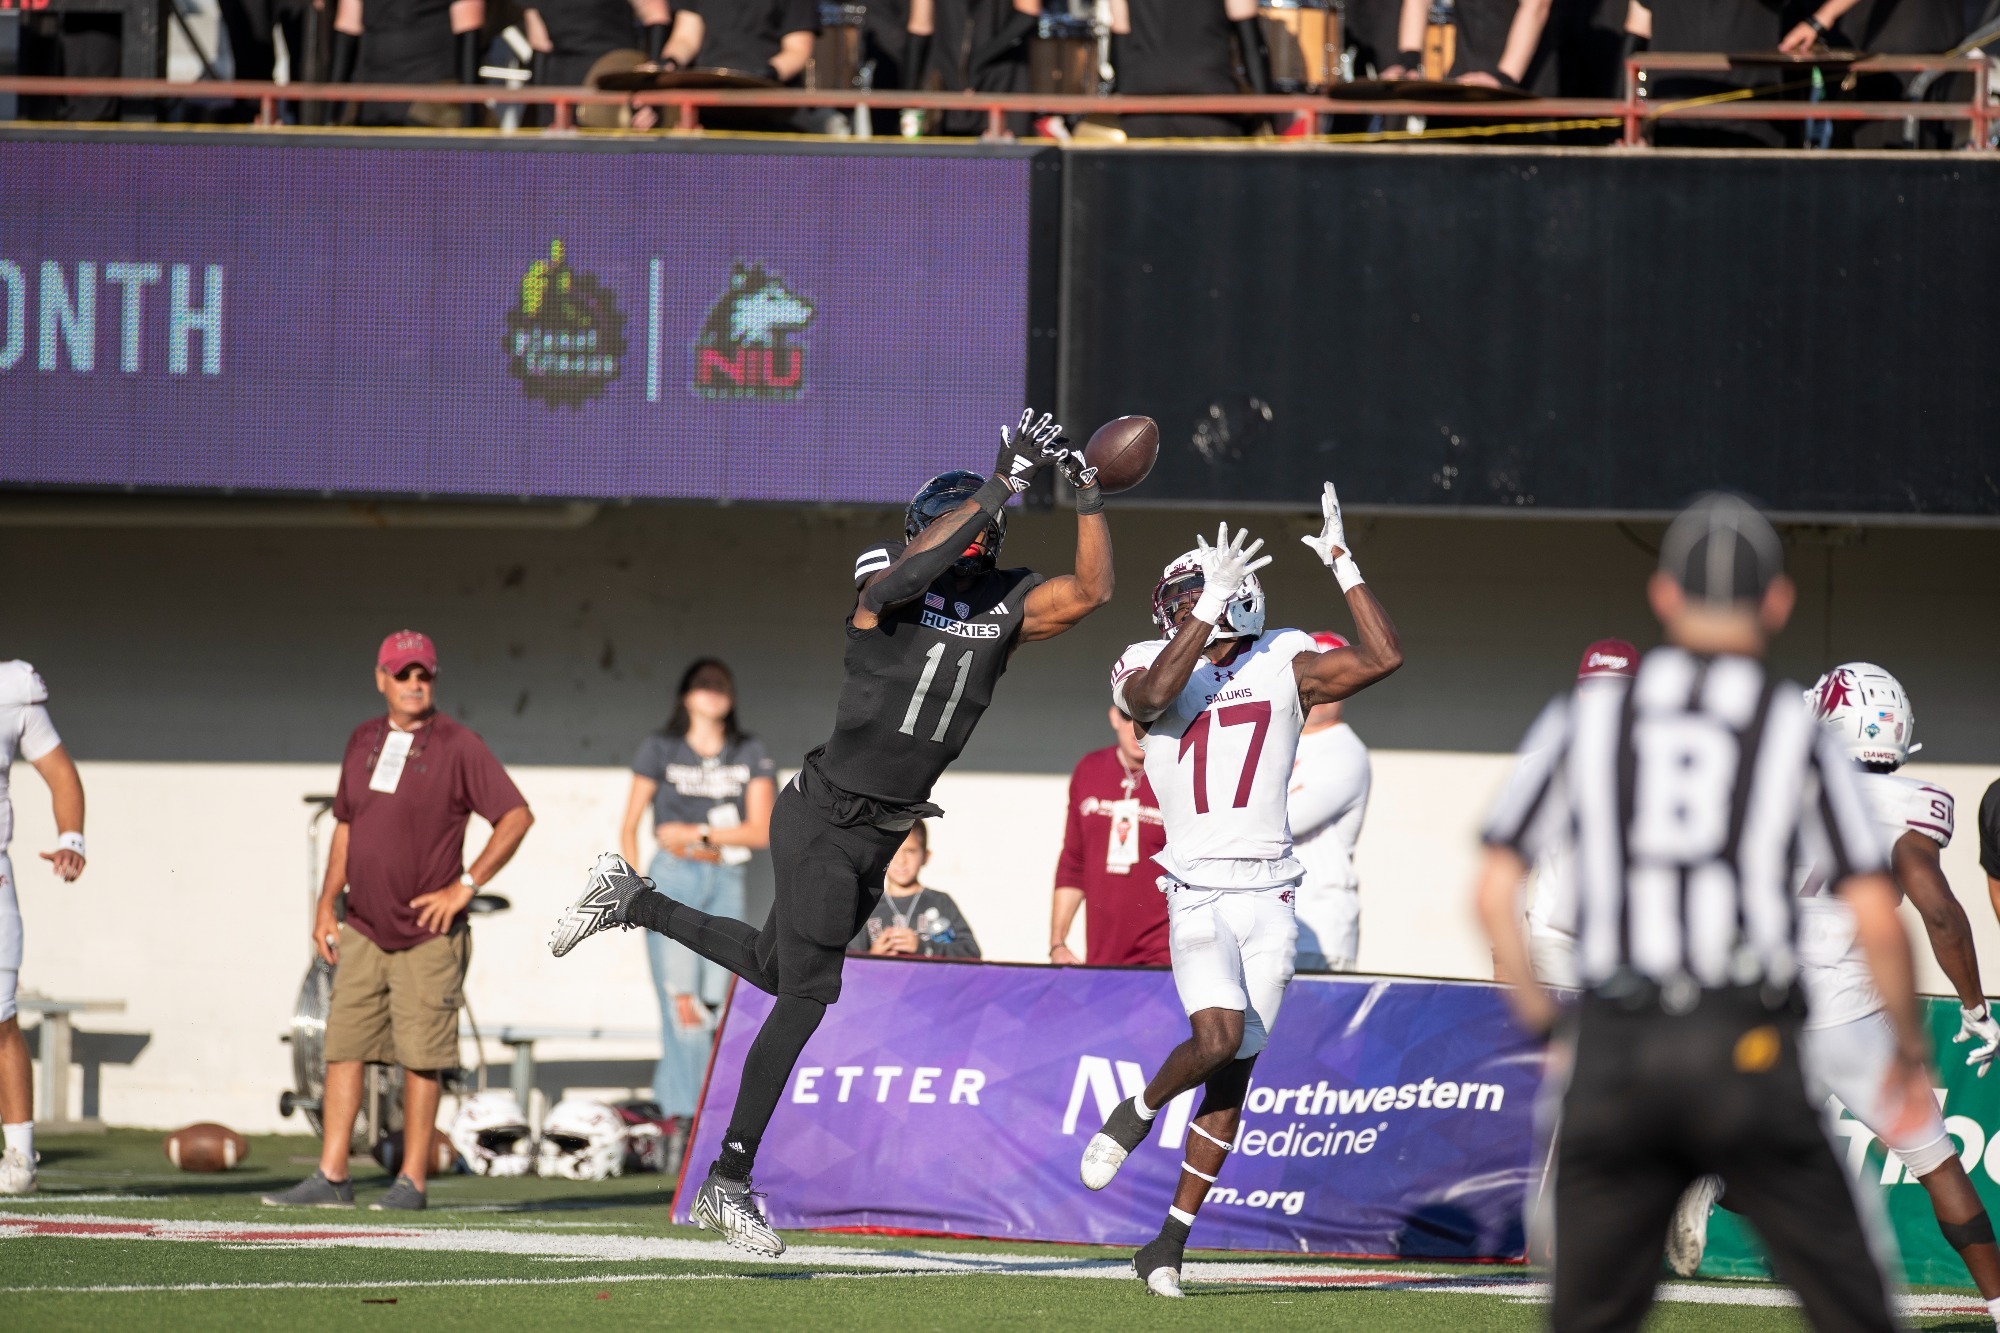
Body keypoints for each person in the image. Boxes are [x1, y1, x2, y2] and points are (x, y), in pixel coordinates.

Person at [550, 408, 1114, 1255]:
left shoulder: (1005, 604)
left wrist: (1091, 494)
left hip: (880, 831)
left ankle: (631, 899)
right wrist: (1001, 484)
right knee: (809, 995)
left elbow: (1092, 592)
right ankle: (728, 1178)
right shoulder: (887, 589)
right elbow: (898, 581)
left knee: (777, 967)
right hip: (824, 814)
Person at [1474, 493, 1927, 1332]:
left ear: (1664, 595)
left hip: (1621, 1040)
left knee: (1589, 1315)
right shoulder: (1791, 731)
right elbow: (1876, 912)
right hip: (1745, 1042)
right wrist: (1906, 1043)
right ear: (1779, 601)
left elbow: (1493, 887)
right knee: (1856, 1309)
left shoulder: (1586, 720)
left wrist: (1547, 1022)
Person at [1079, 482, 1404, 1298]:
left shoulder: (1283, 658)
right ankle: (1139, 1107)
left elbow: (1383, 657)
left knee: (1235, 1071)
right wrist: (1207, 609)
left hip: (1273, 895)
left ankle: (1168, 1245)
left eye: (1192, 594)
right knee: (1217, 1036)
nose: (1177, 608)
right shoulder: (1147, 661)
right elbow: (1151, 698)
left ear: (1235, 602)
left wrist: (1343, 562)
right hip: (1197, 887)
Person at [1666, 661, 2000, 1312]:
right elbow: (1938, 910)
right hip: (1849, 1014)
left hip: (1758, 996)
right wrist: (1973, 1004)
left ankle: (1711, 1173)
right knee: (1937, 1165)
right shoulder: (1911, 806)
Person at [264, 631, 533, 1212]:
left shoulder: (460, 744)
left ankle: (412, 1181)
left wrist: (464, 887)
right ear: (381, 679)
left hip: (428, 935)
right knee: (343, 1046)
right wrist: (325, 902)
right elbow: (346, 825)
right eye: (403, 673)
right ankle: (332, 1175)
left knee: (422, 1055)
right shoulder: (363, 739)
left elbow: (515, 816)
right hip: (362, 925)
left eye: (423, 674)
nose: (414, 683)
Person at [619, 658, 776, 1132]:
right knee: (682, 1003)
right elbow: (629, 826)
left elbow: (760, 830)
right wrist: (636, 891)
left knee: (717, 1001)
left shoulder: (748, 750)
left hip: (725, 877)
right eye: (704, 684)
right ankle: (690, 1119)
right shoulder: (661, 746)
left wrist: (698, 831)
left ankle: (685, 1110)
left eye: (722, 685)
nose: (713, 692)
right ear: (686, 695)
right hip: (673, 876)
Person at [0, 662, 86, 1196]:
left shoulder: (11, 689)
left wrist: (71, 839)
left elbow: (60, 772)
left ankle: (19, 1156)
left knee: (0, 1017)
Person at [1523, 638, 1639, 990]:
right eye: (1594, 687)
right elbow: (1510, 864)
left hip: (1630, 946)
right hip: (1558, 938)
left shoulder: (1657, 769)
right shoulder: (1549, 762)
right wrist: (1506, 954)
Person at [1050, 708, 1169, 968]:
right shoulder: (1089, 769)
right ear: (1114, 716)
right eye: (1128, 716)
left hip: (1163, 956)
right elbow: (1073, 862)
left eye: (1149, 718)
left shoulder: (1177, 775)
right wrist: (1057, 943)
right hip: (1103, 956)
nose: (1138, 727)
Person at [1287, 631, 1373, 973]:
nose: (1322, 688)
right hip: (1271, 924)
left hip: (1319, 933)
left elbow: (1280, 820)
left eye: (1334, 677)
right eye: (1314, 675)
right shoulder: (1277, 739)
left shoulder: (1345, 752)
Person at [1107, 0, 1271, 139]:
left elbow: (1121, 41)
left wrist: (1127, 97)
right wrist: (1268, 117)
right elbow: (1252, 47)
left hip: (1144, 103)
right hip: (1211, 103)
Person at [331, 0, 487, 127]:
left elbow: (468, 32)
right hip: (371, 103)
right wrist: (330, 119)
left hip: (429, 104)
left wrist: (470, 126)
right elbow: (347, 28)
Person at [852, 823, 981, 959]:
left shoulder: (940, 901)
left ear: (926, 856)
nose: (901, 861)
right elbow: (848, 961)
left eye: (910, 851)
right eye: (893, 851)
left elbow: (971, 953)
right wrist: (873, 956)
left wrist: (924, 948)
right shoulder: (868, 904)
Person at [524, 0, 669, 88]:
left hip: (612, 74)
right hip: (559, 78)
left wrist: (651, 77)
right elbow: (539, 42)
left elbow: (655, 13)